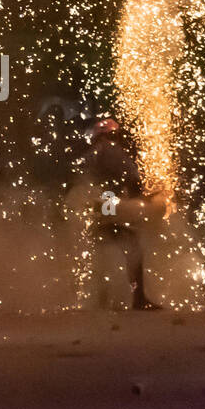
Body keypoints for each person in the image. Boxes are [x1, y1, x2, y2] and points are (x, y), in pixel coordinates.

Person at [78, 116, 163, 312]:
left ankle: (101, 299)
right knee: (132, 248)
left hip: (97, 204)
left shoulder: (91, 154)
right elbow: (132, 181)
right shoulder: (114, 152)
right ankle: (138, 298)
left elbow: (83, 182)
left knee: (101, 250)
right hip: (110, 203)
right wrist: (145, 199)